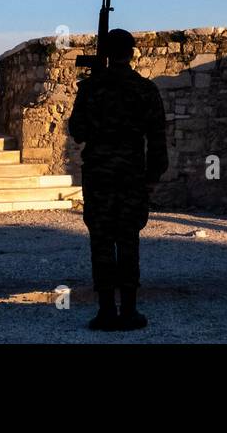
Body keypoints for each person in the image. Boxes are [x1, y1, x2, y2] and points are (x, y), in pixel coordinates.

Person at [68, 29, 168, 331]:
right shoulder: (145, 89)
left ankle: (106, 310)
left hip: (99, 175)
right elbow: (157, 138)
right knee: (128, 241)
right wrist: (152, 177)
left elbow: (78, 131)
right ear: (132, 53)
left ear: (107, 53)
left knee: (101, 242)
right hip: (131, 176)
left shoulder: (90, 88)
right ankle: (130, 309)